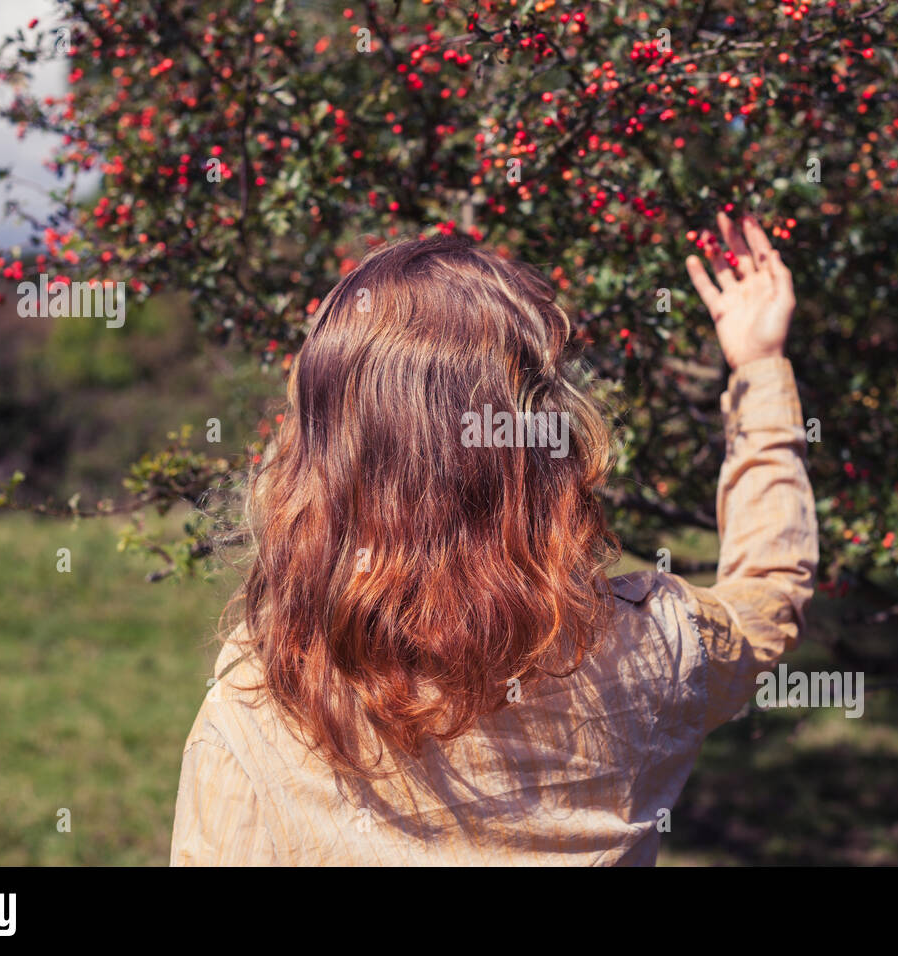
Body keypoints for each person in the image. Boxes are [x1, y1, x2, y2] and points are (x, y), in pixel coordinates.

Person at [170, 212, 818, 865]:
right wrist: (759, 367)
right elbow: (768, 598)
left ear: (320, 453)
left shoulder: (264, 691)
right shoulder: (650, 651)